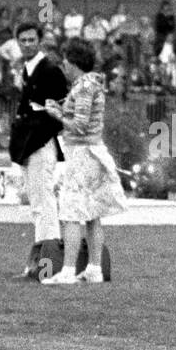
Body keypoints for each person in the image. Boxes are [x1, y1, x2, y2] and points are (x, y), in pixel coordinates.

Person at [39, 40, 126, 285]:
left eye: (66, 61)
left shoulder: (85, 87)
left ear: (75, 62)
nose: (63, 66)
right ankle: (94, 268)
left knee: (71, 211)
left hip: (83, 154)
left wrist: (57, 115)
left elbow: (80, 125)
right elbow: (80, 117)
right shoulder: (88, 84)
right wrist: (62, 109)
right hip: (91, 152)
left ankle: (67, 270)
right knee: (92, 213)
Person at [8, 22, 68, 282]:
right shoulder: (28, 69)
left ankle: (48, 264)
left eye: (32, 40)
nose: (27, 44)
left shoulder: (50, 70)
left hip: (41, 143)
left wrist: (34, 127)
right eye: (23, 40)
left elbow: (58, 113)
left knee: (44, 204)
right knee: (38, 204)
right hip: (29, 143)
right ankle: (40, 263)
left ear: (39, 41)